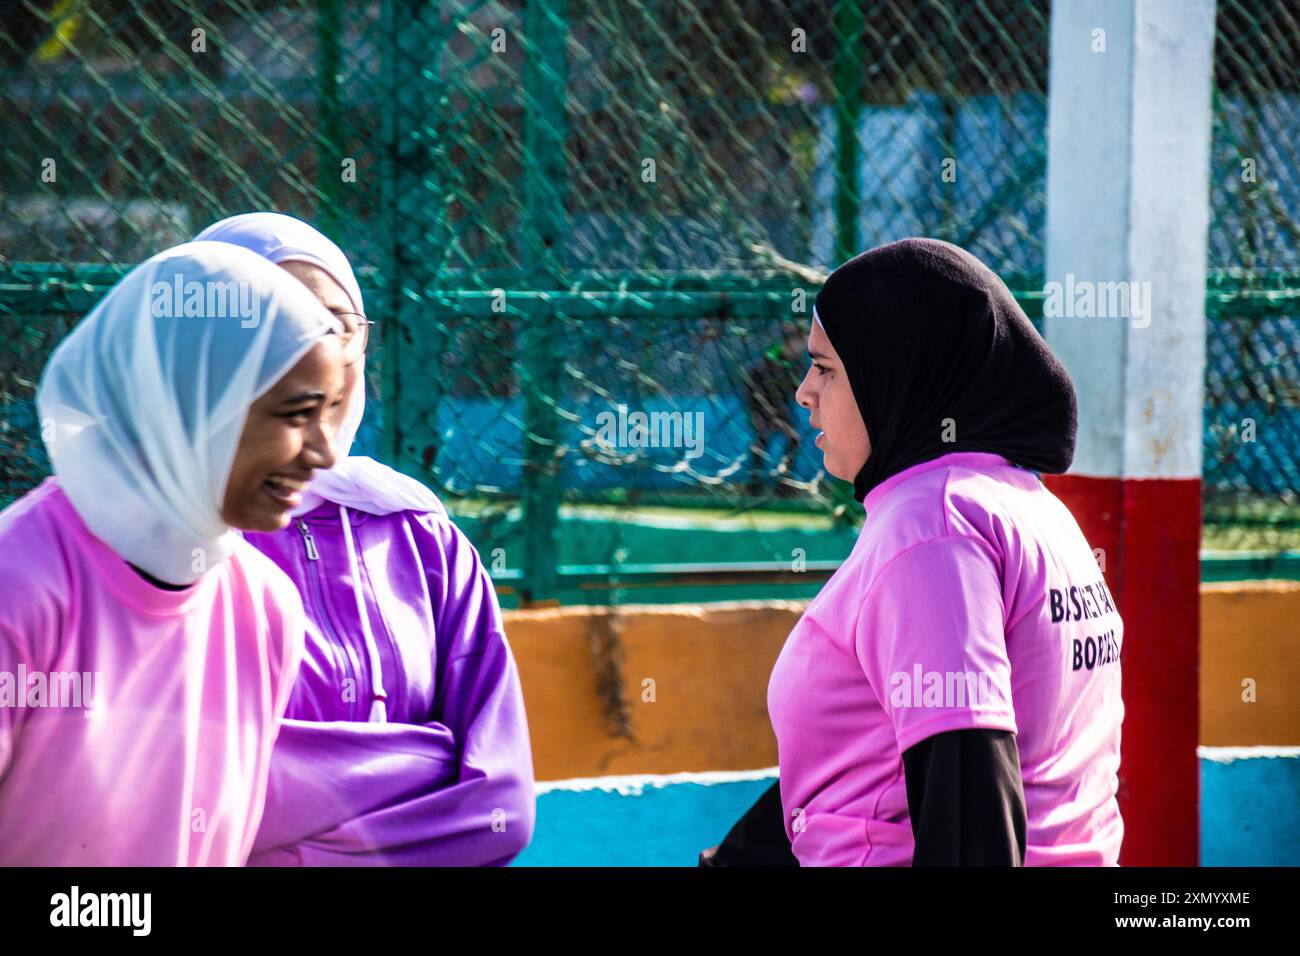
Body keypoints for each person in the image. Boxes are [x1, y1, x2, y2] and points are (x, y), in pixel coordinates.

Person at [718, 237, 1123, 866]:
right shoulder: (1033, 510)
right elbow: (863, 765)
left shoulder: (932, 523)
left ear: (893, 372)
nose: (803, 392)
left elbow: (968, 794)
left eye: (825, 368)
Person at [193, 212, 535, 866]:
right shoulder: (169, 547)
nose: (309, 346)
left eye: (333, 321)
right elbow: (190, 794)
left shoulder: (422, 540)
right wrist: (425, 759)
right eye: (272, 320)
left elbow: (503, 809)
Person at [0, 240, 347, 865]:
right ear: (193, 406)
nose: (324, 454)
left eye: (330, 412)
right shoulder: (21, 585)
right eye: (296, 414)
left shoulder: (265, 608)